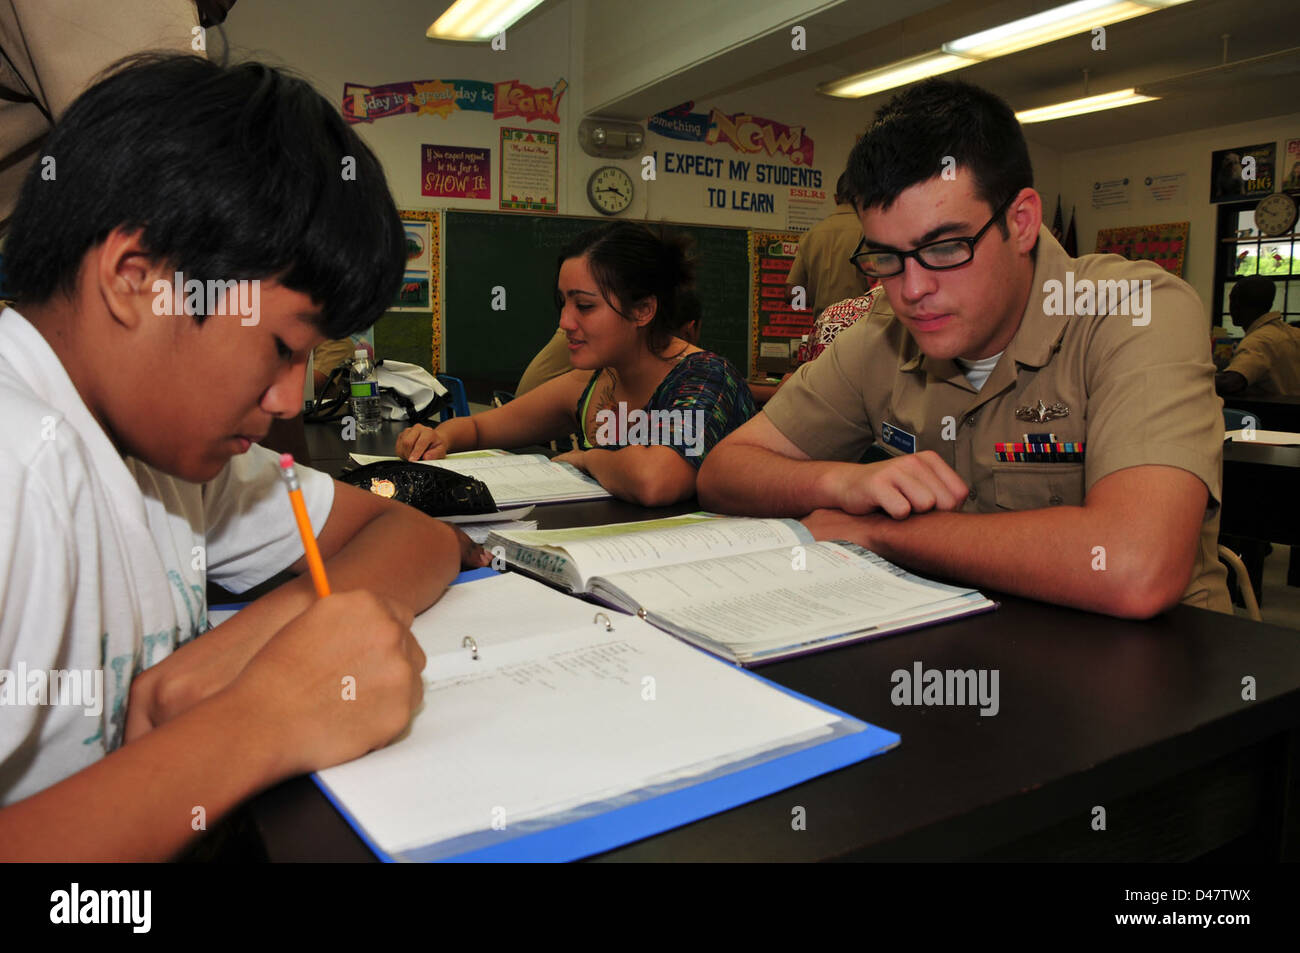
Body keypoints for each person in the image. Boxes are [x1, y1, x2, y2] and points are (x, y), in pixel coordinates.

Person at [0, 53, 485, 860]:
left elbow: (417, 537)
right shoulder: (18, 465)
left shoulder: (165, 448)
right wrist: (261, 718)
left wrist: (259, 644)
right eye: (281, 347)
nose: (291, 401)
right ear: (138, 281)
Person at [699, 78, 1230, 620]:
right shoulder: (883, 331)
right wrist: (842, 481)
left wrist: (880, 531)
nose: (911, 290)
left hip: (1162, 672)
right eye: (885, 256)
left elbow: (1133, 567)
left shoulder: (1134, 311)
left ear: (1021, 222)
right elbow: (725, 472)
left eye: (945, 247)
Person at [396, 223, 754, 506]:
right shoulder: (591, 381)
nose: (565, 321)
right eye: (563, 303)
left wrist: (587, 459)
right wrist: (437, 436)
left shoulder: (704, 377)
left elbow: (655, 481)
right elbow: (478, 429)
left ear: (643, 309)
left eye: (584, 306)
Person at [785, 172, 874, 320]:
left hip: (822, 331)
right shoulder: (870, 232)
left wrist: (816, 300)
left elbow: (790, 294)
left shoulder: (811, 235)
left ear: (835, 198)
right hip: (859, 328)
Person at [1216, 275, 1300, 397]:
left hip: (1272, 415)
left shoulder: (1258, 341)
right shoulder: (1293, 332)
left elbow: (1231, 383)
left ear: (1236, 304)